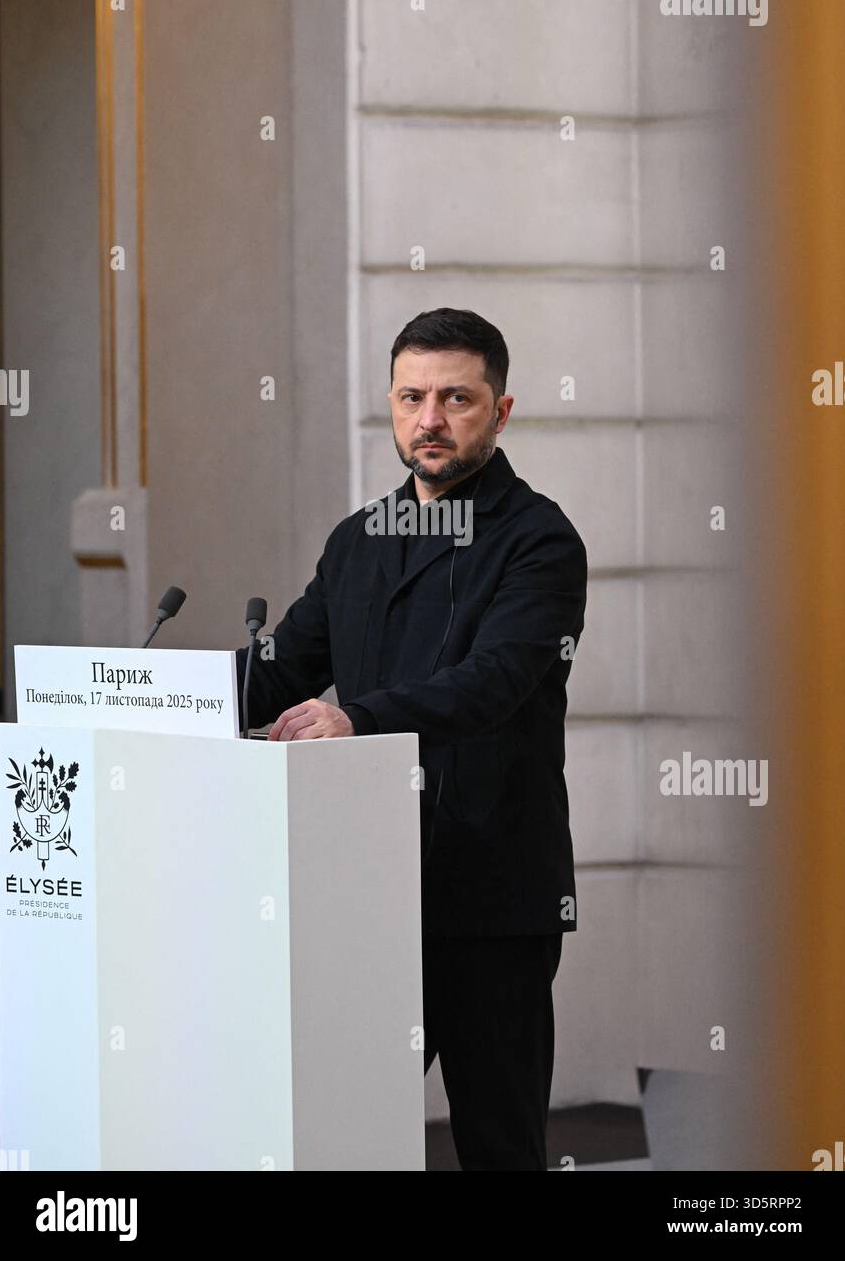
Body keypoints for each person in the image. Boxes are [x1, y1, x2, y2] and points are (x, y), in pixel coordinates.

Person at [236, 307, 588, 1170]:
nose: (429, 419)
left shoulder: (540, 541)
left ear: (499, 413)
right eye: (411, 396)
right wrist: (142, 695)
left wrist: (356, 718)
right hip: (364, 892)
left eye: (455, 398)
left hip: (490, 896)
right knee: (342, 1135)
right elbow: (279, 671)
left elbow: (495, 683)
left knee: (498, 1145)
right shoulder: (358, 541)